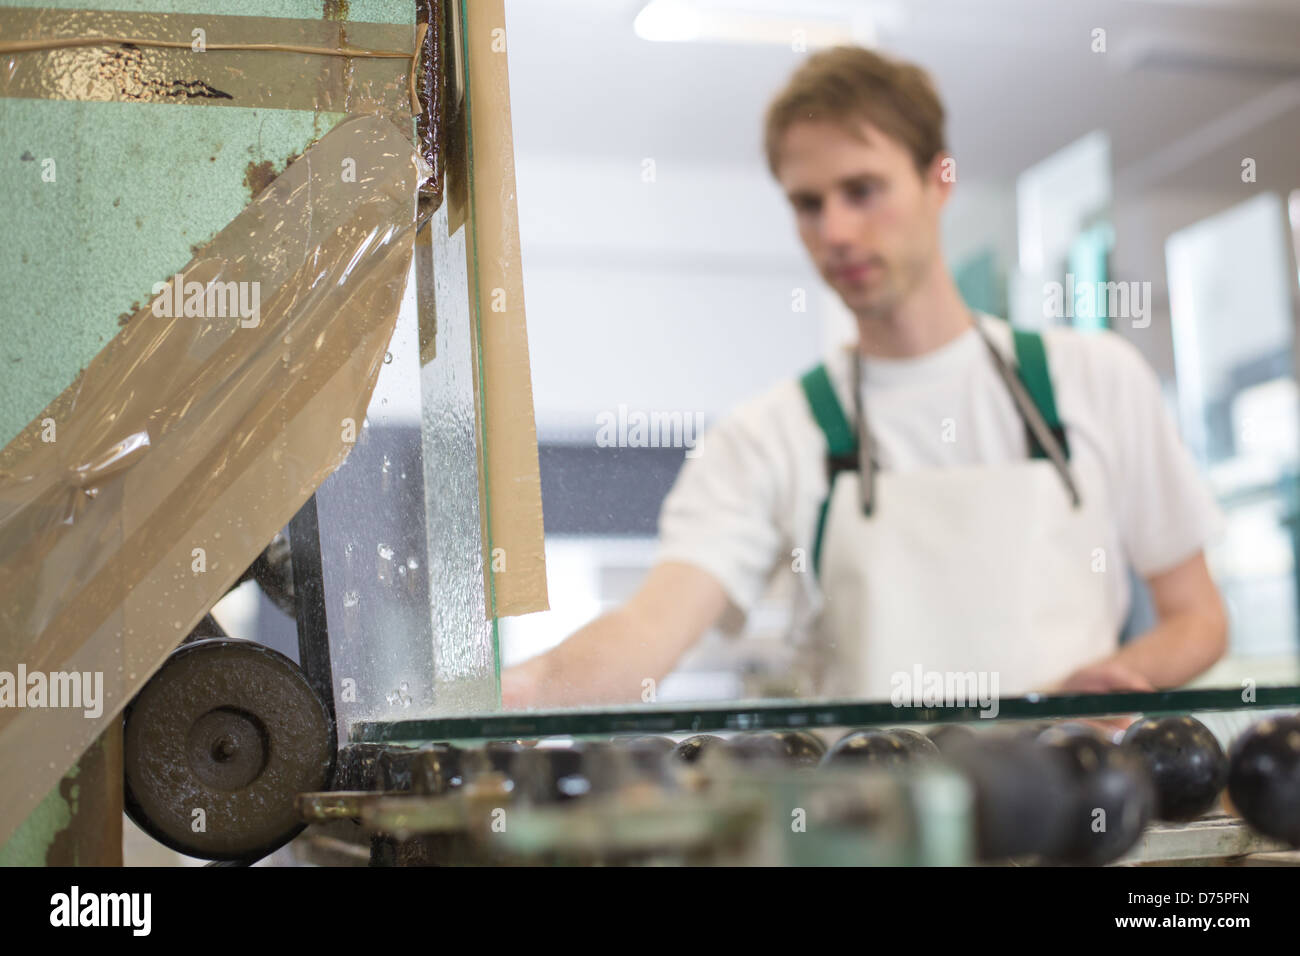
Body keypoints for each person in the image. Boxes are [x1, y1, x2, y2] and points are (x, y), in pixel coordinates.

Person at [503, 45, 1227, 709]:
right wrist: (523, 690)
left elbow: (1197, 616)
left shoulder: (1091, 377)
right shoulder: (768, 435)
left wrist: (1113, 681)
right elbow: (651, 627)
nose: (836, 232)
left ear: (938, 179)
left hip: (1075, 821)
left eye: (862, 189)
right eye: (807, 204)